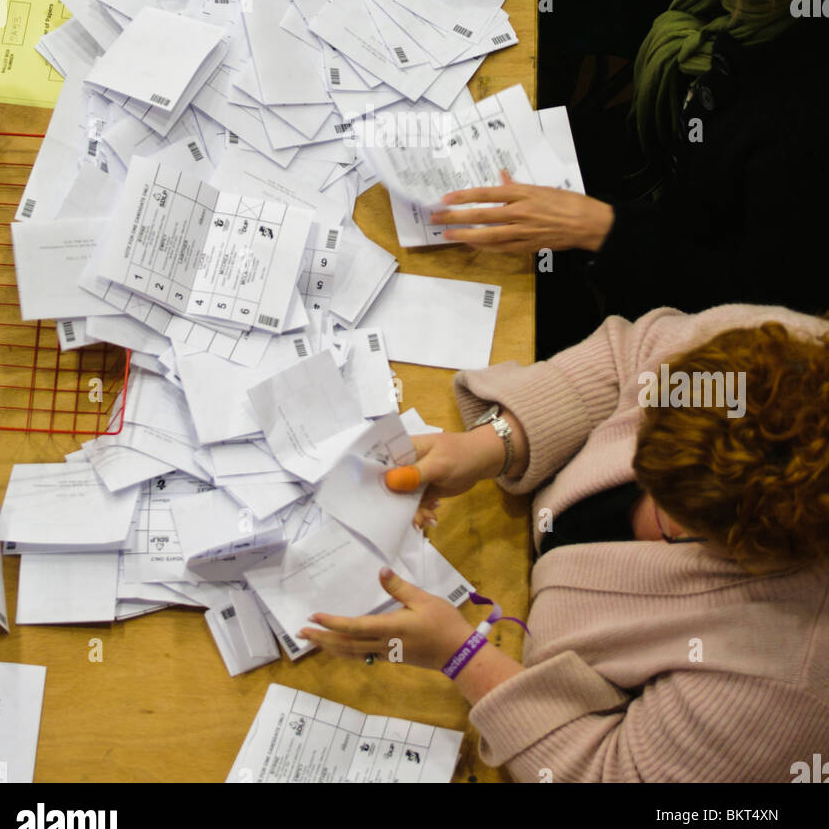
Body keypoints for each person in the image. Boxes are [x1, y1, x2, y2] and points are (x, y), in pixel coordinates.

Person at [298, 303, 829, 782]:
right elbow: (626, 358)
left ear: (753, 553)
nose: (634, 480)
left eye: (671, 513)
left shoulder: (786, 681)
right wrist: (495, 443)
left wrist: (463, 659)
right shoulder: (774, 362)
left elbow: (614, 776)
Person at [423, 0, 829, 352]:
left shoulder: (795, 125)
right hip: (672, 170)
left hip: (706, 309)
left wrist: (598, 228)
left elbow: (754, 304)